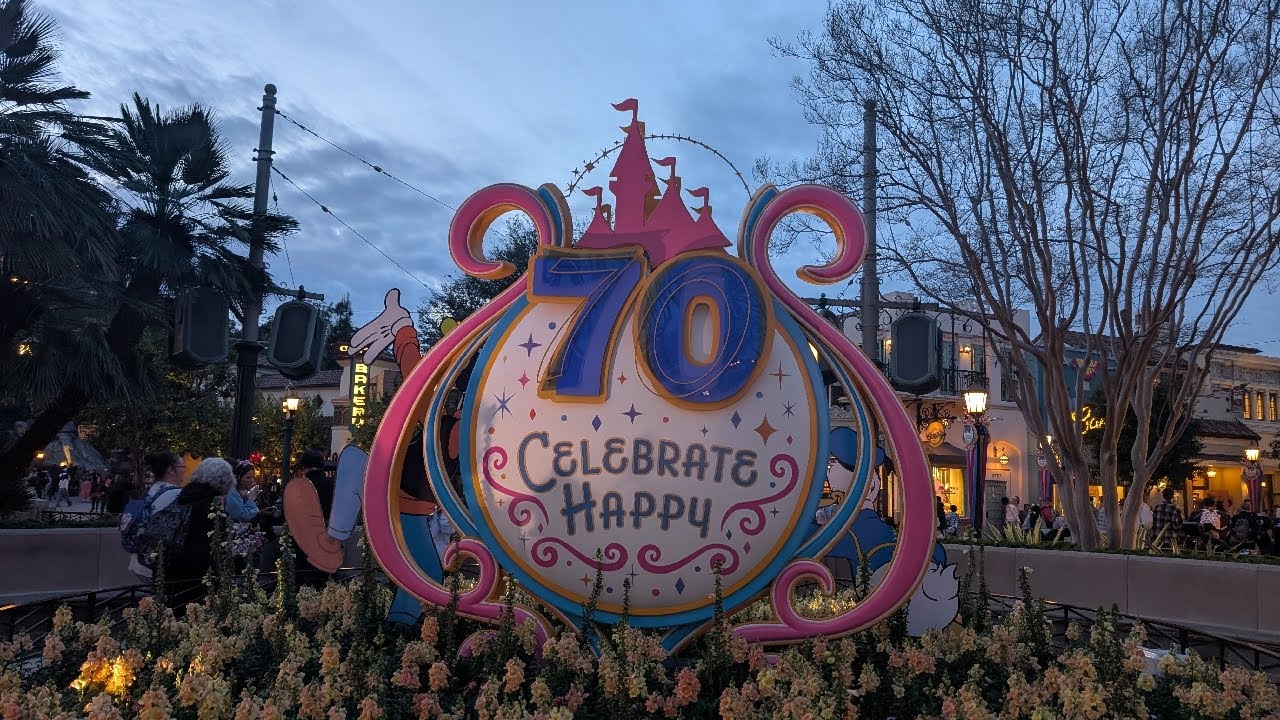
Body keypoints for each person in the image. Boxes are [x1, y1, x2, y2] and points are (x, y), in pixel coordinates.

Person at [164, 458, 235, 608]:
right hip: (198, 577)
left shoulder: (185, 495)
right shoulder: (208, 506)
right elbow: (207, 546)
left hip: (174, 569)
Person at [127, 452, 186, 580]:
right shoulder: (177, 495)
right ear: (170, 470)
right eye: (182, 467)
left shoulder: (152, 489)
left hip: (139, 559)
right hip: (157, 565)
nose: (184, 470)